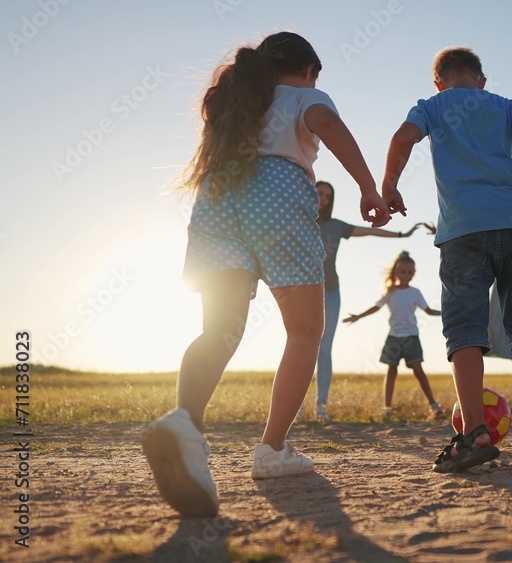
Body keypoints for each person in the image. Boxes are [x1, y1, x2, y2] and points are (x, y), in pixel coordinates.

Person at [142, 31, 390, 517]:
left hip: (219, 195)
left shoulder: (235, 103)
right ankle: (272, 450)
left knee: (221, 328)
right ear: (309, 70)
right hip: (277, 196)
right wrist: (368, 188)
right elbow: (329, 125)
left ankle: (185, 423)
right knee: (305, 331)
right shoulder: (305, 95)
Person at [380, 46, 512, 472]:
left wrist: (389, 185)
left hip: (462, 233)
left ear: (438, 82)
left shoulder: (432, 106)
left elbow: (402, 138)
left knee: (465, 330)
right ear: (482, 80)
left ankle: (473, 431)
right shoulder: (503, 105)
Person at [302, 180, 434, 422]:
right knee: (302, 346)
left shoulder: (336, 227)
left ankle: (320, 406)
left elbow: (371, 231)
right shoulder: (299, 222)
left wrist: (402, 234)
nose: (323, 198)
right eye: (319, 193)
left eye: (328, 196)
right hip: (301, 291)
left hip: (330, 291)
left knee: (325, 349)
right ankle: (297, 407)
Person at [343, 251, 444, 414]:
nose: (406, 275)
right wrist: (358, 316)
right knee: (391, 371)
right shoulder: (390, 292)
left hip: (411, 337)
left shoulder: (415, 292)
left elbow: (429, 311)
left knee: (418, 370)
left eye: (410, 272)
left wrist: (445, 312)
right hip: (394, 337)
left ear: (414, 273)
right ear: (396, 272)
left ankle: (433, 405)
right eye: (403, 272)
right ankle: (387, 407)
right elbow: (377, 307)